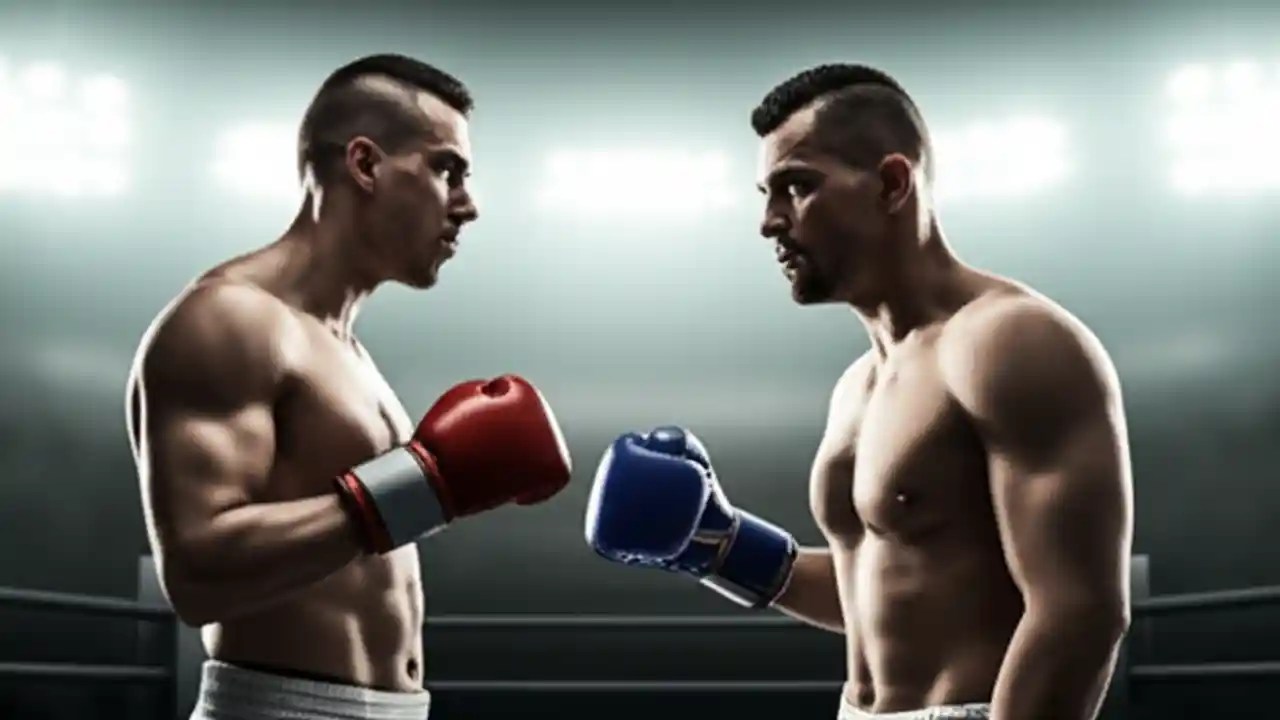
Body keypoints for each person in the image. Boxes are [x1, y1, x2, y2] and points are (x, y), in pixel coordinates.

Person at [585, 64, 1133, 720]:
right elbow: (878, 593)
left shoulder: (1009, 342)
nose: (768, 222)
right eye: (766, 193)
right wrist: (721, 545)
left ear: (893, 183)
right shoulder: (857, 387)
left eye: (797, 186)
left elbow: (1080, 612)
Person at [126, 54, 572, 720]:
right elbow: (197, 576)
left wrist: (423, 488)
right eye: (446, 170)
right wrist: (428, 485)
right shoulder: (229, 321)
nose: (468, 205)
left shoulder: (346, 350)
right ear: (365, 164)